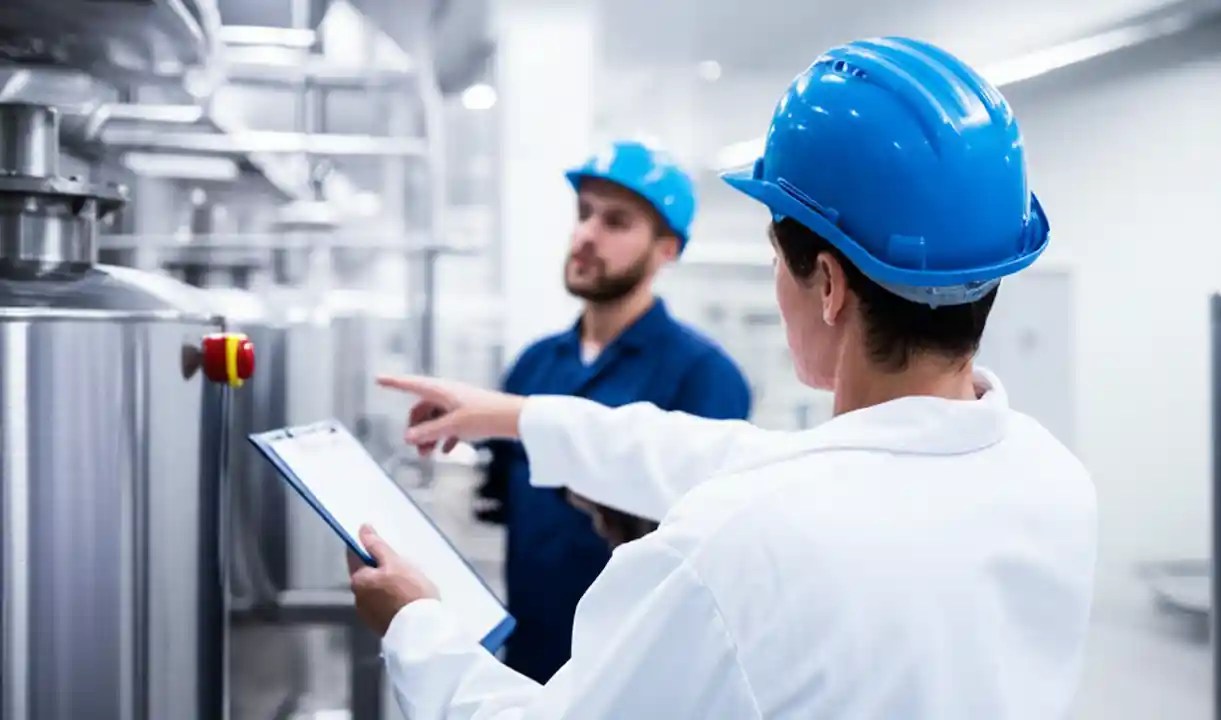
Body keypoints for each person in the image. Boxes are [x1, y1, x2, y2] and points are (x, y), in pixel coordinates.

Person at [350, 37, 1097, 719]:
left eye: (776, 262)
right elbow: (728, 457)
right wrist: (514, 416)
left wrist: (416, 625)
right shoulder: (1050, 480)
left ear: (829, 286)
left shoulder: (733, 548)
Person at [472, 138, 753, 683]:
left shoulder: (703, 375)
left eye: (616, 222)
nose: (586, 235)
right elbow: (502, 503)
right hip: (529, 665)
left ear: (666, 249)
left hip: (638, 679)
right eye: (584, 214)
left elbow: (704, 551)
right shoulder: (534, 366)